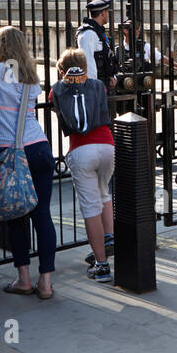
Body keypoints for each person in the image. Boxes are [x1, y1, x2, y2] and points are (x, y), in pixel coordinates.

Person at [0, 26, 57, 300]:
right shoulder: (31, 76)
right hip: (38, 148)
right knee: (42, 215)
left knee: (15, 215)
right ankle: (45, 283)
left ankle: (23, 279)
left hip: (6, 153)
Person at [50, 49, 114, 282]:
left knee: (90, 208)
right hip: (107, 147)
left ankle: (102, 265)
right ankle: (109, 237)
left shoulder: (57, 89)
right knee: (104, 193)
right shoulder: (98, 85)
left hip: (81, 150)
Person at [77, 0, 116, 89]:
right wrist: (93, 87)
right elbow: (88, 62)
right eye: (107, 12)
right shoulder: (88, 33)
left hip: (103, 83)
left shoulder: (97, 31)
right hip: (95, 85)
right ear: (102, 13)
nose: (108, 15)